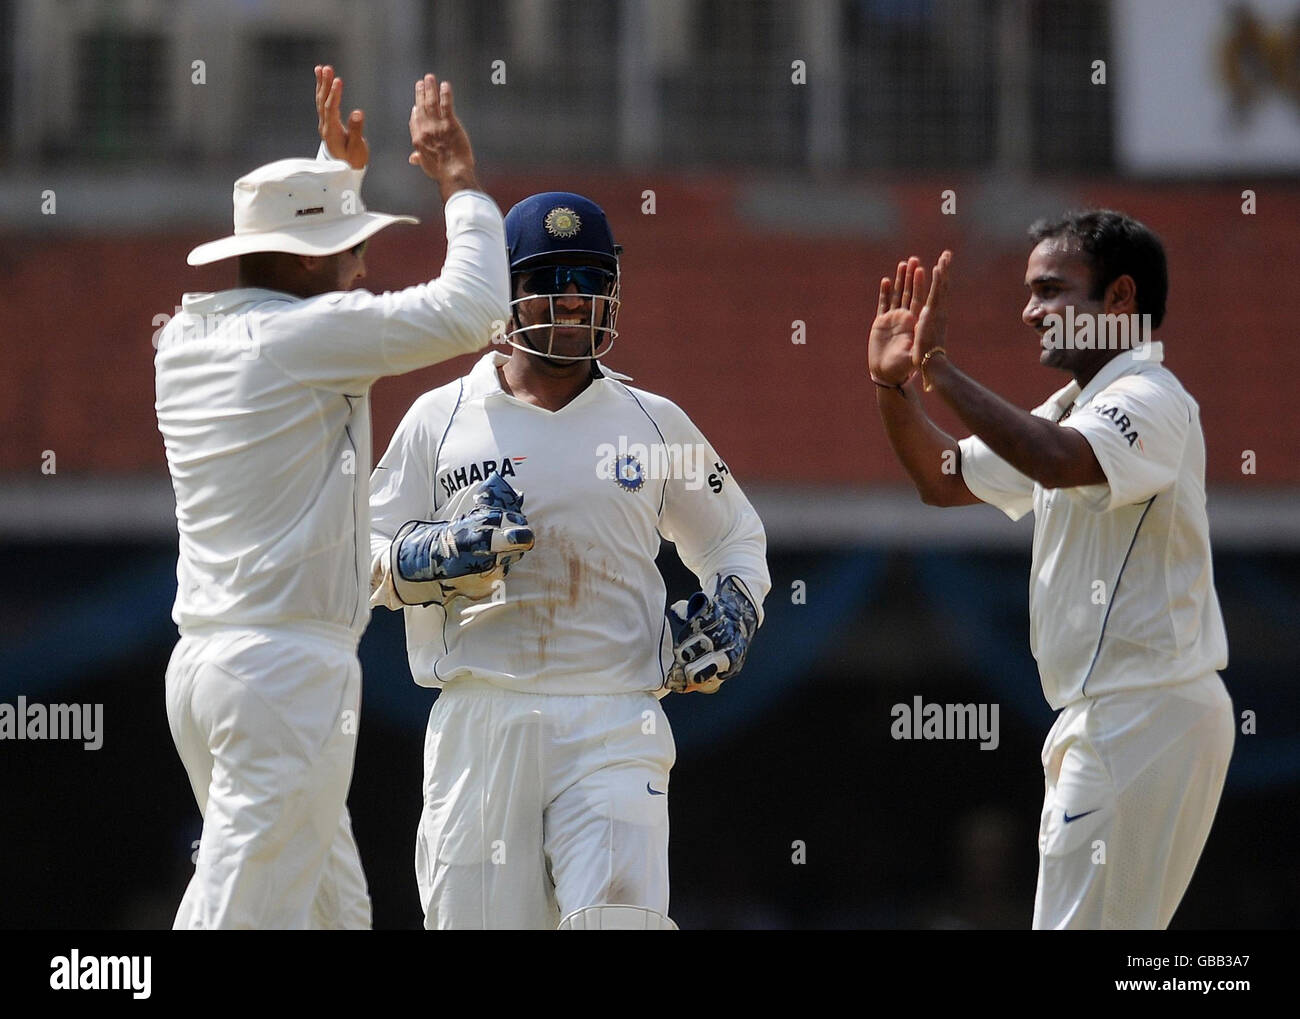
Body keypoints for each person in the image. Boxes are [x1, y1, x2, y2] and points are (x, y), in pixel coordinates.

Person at [155, 66, 508, 929]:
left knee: (332, 917)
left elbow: (302, 269)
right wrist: (459, 182)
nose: (363, 271)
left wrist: (332, 175)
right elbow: (475, 309)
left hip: (210, 670)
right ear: (312, 259)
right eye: (353, 248)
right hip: (282, 676)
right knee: (237, 914)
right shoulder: (310, 337)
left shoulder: (188, 338)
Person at [369, 191, 770, 930]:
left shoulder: (654, 422)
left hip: (617, 714)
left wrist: (735, 609)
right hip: (481, 715)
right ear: (506, 294)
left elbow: (733, 538)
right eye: (552, 279)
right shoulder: (440, 418)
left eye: (590, 280)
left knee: (619, 921)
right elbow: (359, 554)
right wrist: (430, 554)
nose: (575, 300)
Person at [867, 210, 1234, 929]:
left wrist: (940, 369)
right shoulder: (1075, 407)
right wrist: (895, 388)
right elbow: (943, 478)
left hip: (1142, 709)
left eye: (1052, 290)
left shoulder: (1150, 399)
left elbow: (1058, 462)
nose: (1030, 311)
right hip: (1123, 715)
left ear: (1120, 300)